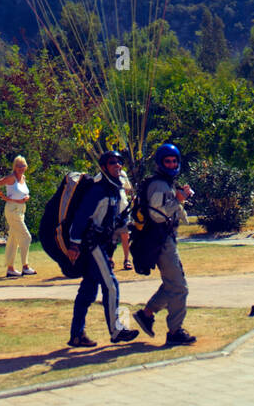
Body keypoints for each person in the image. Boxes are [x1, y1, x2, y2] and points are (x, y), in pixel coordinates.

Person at [66, 151, 139, 348]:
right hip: (92, 244)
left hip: (103, 245)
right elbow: (81, 217)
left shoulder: (115, 190)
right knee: (111, 286)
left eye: (119, 163)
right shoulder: (98, 191)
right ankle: (117, 331)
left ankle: (76, 334)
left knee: (88, 290)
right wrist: (74, 244)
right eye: (112, 163)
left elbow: (116, 220)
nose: (117, 166)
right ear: (104, 167)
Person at [132, 144, 196, 346]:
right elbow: (157, 215)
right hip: (160, 240)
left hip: (163, 240)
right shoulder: (159, 185)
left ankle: (147, 314)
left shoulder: (166, 183)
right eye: (168, 161)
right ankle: (175, 331)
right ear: (160, 163)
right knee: (179, 287)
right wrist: (178, 199)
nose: (172, 164)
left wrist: (180, 198)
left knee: (173, 283)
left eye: (174, 161)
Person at [0, 156, 36, 278]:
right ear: (14, 167)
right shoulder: (11, 178)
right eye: (18, 166)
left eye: (22, 166)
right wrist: (4, 197)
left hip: (21, 210)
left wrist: (27, 197)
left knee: (13, 239)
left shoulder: (23, 178)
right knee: (26, 237)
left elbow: (24, 192)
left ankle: (10, 269)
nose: (20, 168)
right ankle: (25, 266)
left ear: (26, 167)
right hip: (12, 210)